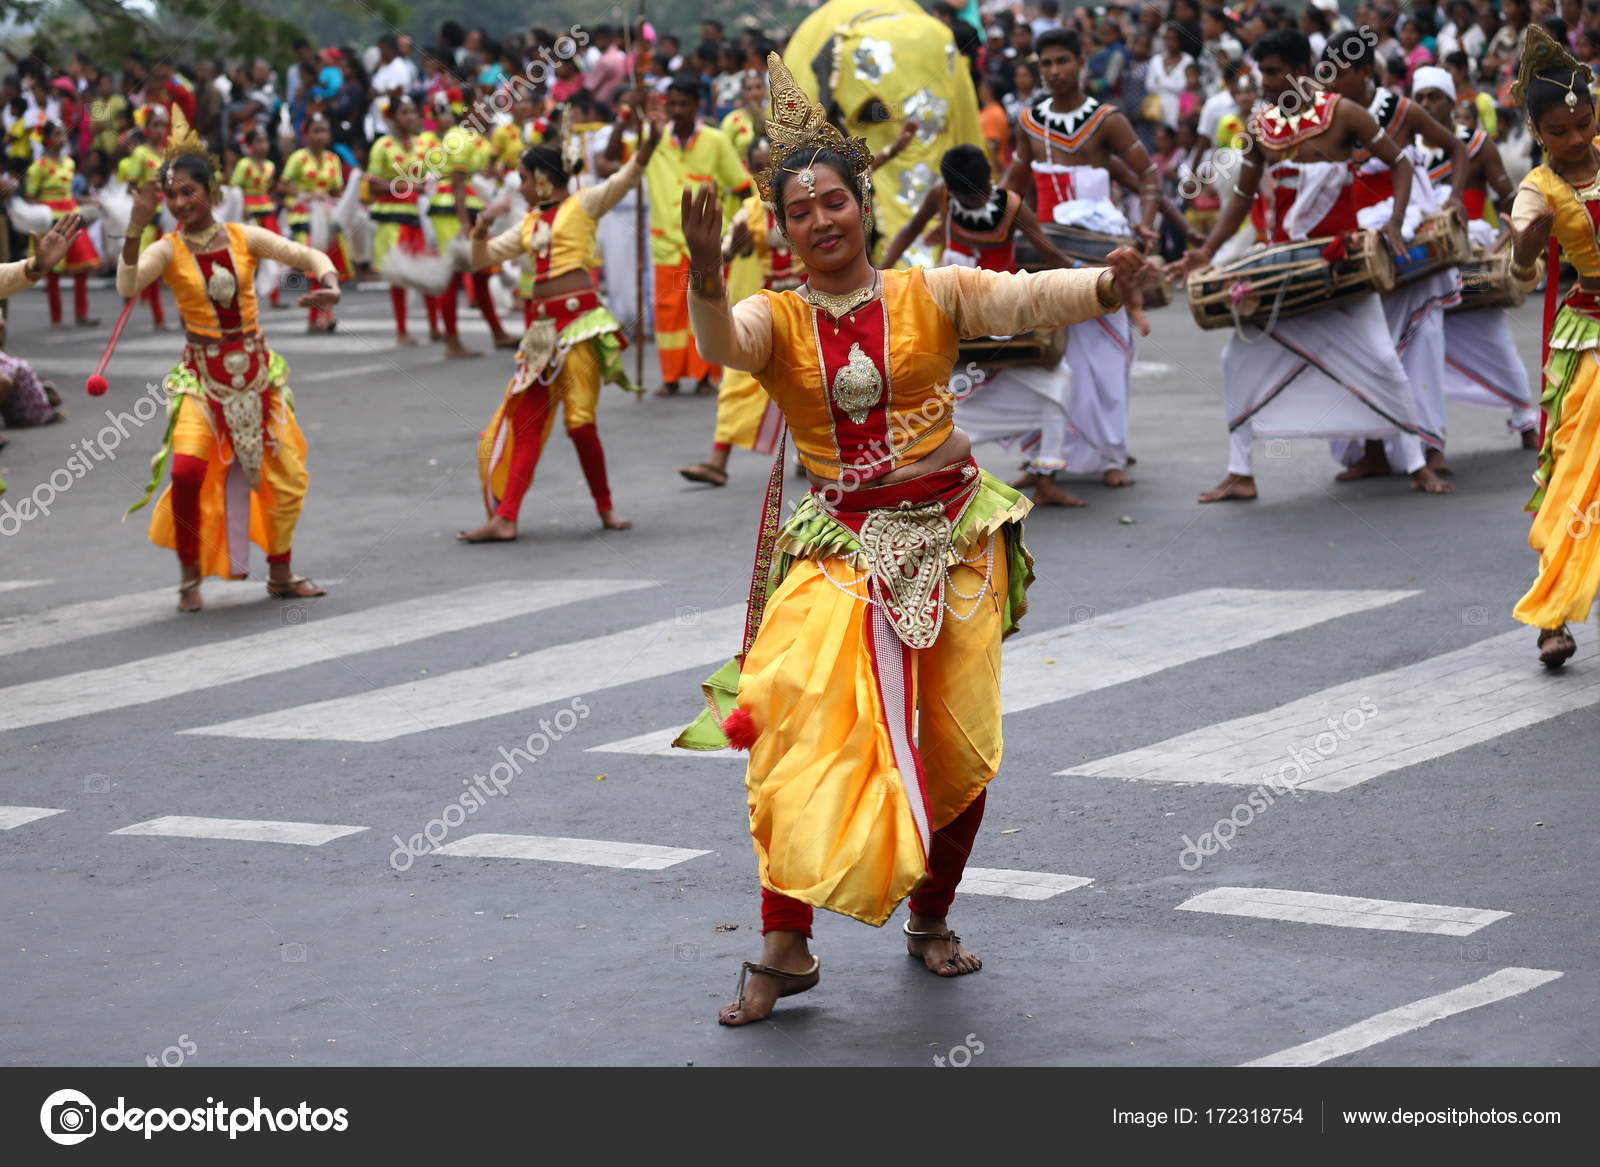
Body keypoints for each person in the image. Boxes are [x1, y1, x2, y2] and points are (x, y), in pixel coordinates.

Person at [673, 56, 1151, 1027]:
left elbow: (1020, 302)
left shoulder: (927, 293)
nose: (820, 221)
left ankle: (929, 916)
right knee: (794, 732)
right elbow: (721, 347)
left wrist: (1106, 285)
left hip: (951, 538)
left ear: (862, 204)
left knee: (953, 747)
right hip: (838, 547)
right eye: (799, 210)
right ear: (782, 226)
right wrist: (703, 282)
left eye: (834, 202)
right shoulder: (777, 319)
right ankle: (785, 941)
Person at [1169, 30, 1452, 501]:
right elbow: (1241, 198)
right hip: (1283, 270)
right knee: (1236, 360)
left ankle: (1418, 464)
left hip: (1339, 265)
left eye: (1275, 70)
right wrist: (1208, 251)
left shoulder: (1344, 114)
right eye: (1262, 71)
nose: (1265, 80)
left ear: (1302, 71)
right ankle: (1241, 472)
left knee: (1383, 361)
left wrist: (1397, 223)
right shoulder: (1261, 128)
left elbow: (1401, 164)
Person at [116, 111, 341, 612]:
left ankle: (281, 574)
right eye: (170, 196)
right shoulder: (166, 249)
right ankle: (189, 575)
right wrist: (133, 228)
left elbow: (306, 257)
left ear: (211, 191)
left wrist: (328, 285)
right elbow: (128, 286)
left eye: (187, 193)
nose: (178, 204)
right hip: (200, 379)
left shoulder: (244, 238)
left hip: (258, 375)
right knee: (187, 471)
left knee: (282, 477)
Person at [885, 143, 1128, 507]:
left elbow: (1052, 255)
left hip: (999, 314)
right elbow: (908, 233)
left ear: (990, 183)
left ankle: (1044, 473)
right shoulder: (941, 196)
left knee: (1057, 381)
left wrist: (1095, 278)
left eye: (975, 194)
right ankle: (917, 470)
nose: (968, 200)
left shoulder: (1013, 207)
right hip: (947, 313)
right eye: (963, 195)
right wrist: (881, 279)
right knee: (935, 394)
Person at [456, 121, 662, 543]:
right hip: (541, 333)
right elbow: (483, 260)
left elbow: (625, 179)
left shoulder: (585, 204)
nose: (521, 185)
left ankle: (605, 508)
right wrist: (480, 230)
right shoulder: (530, 223)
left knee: (580, 424)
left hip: (581, 325)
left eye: (525, 178)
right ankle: (506, 517)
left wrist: (649, 144)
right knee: (525, 422)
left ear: (544, 179)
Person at [1003, 28, 1158, 488]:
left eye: (1061, 62)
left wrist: (1145, 226)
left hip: (1100, 251)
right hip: (1047, 257)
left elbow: (1148, 176)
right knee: (1047, 356)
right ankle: (1046, 457)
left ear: (1081, 61)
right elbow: (1014, 189)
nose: (1053, 72)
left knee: (1107, 355)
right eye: (1045, 64)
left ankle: (1111, 456)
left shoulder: (1108, 118)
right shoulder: (1030, 121)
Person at [1330, 31, 1471, 480]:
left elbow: (1456, 148)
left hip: (1410, 238)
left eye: (1340, 72)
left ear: (1365, 72)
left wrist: (1451, 199)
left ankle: (1431, 448)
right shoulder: (1331, 117)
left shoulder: (1401, 110)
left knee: (1424, 346)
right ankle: (1371, 448)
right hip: (1363, 241)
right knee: (1370, 349)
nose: (1330, 80)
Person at [1506, 28, 1600, 666]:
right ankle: (1553, 615)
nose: (1576, 138)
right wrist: (1527, 245)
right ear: (1541, 131)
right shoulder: (1538, 188)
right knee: (1574, 473)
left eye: (1585, 124)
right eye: (1561, 130)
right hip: (1589, 329)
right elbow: (1520, 273)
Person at [1411, 67, 1538, 447]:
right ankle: (1423, 440)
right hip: (1423, 263)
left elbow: (1508, 201)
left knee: (1494, 338)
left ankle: (1525, 422)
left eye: (1435, 96)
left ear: (1453, 102)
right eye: (1420, 98)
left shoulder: (1478, 143)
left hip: (1470, 258)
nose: (1427, 105)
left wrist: (1507, 243)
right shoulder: (1404, 149)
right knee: (1419, 346)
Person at [678, 138, 796, 487]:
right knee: (735, 379)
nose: (764, 175)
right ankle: (718, 461)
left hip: (810, 303)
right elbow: (722, 256)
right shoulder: (748, 211)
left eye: (769, 165)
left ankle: (810, 454)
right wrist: (730, 250)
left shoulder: (802, 201)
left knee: (814, 379)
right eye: (757, 167)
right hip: (769, 305)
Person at [644, 75, 753, 397]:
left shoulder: (716, 140)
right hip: (665, 240)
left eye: (683, 104)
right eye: (672, 104)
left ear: (696, 105)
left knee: (707, 305)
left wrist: (745, 221)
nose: (677, 110)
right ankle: (670, 376)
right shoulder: (653, 140)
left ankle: (707, 375)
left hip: (705, 240)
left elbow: (740, 183)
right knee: (668, 312)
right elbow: (612, 161)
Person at [367, 96, 441, 345]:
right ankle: (402, 331)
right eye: (405, 113)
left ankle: (434, 326)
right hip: (393, 217)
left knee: (426, 270)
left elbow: (432, 176)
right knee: (398, 276)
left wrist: (426, 185)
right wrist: (407, 185)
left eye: (413, 112)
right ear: (391, 117)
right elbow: (373, 185)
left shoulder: (423, 145)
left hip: (419, 215)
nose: (411, 117)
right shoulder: (382, 146)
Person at [281, 113, 352, 333]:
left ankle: (323, 316)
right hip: (305, 218)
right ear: (306, 134)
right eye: (316, 131)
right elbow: (283, 185)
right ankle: (318, 317)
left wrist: (333, 197)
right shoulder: (298, 158)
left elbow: (336, 189)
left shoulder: (333, 159)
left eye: (324, 131)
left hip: (327, 218)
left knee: (330, 269)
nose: (321, 136)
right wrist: (304, 194)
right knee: (314, 271)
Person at [25, 120, 99, 327]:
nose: (63, 138)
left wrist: (91, 202)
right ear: (47, 139)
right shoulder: (38, 167)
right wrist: (41, 216)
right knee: (53, 271)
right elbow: (31, 197)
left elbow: (71, 194)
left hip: (72, 216)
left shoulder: (69, 162)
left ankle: (81, 314)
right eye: (58, 134)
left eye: (64, 134)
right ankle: (56, 319)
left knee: (82, 268)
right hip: (51, 220)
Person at [230, 126, 282, 309]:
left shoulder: (270, 166)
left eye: (265, 140)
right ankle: (246, 296)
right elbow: (235, 189)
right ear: (250, 145)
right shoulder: (244, 164)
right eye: (258, 141)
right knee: (248, 256)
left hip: (266, 211)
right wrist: (242, 208)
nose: (263, 145)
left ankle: (274, 297)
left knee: (273, 253)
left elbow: (269, 188)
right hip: (249, 214)